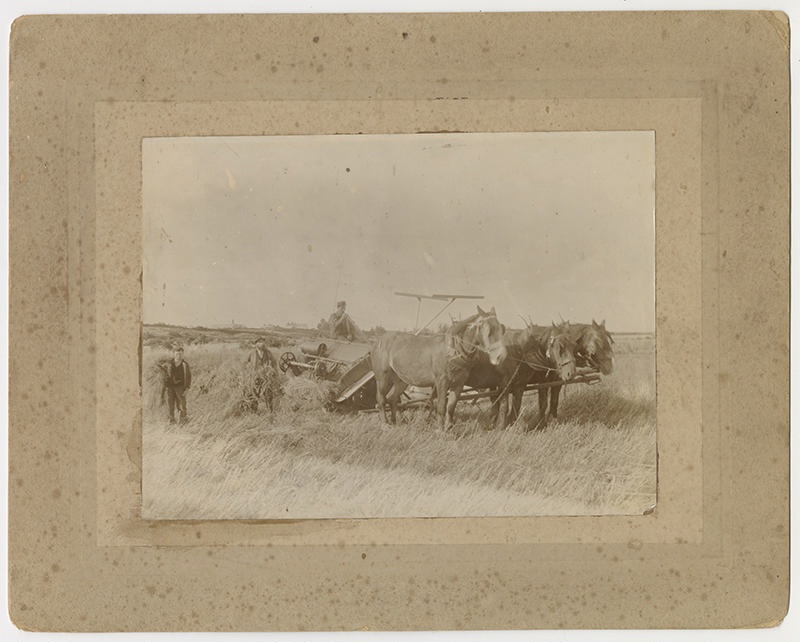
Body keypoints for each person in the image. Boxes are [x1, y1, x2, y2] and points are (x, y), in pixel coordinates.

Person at [244, 337, 278, 412]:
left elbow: (274, 362)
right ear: (256, 344)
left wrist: (273, 371)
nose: (261, 344)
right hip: (255, 377)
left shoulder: (268, 352)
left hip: (266, 377)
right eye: (259, 342)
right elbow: (245, 363)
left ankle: (270, 411)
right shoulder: (252, 353)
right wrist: (247, 373)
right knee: (254, 394)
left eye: (262, 342)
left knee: (268, 393)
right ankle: (254, 411)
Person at [165, 344, 191, 424]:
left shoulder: (185, 365)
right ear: (174, 354)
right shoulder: (169, 363)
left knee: (182, 404)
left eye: (180, 354)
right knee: (170, 404)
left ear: (183, 354)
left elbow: (189, 377)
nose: (179, 356)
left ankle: (183, 420)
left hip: (180, 387)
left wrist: (187, 388)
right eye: (177, 354)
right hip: (170, 387)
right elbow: (164, 375)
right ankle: (171, 420)